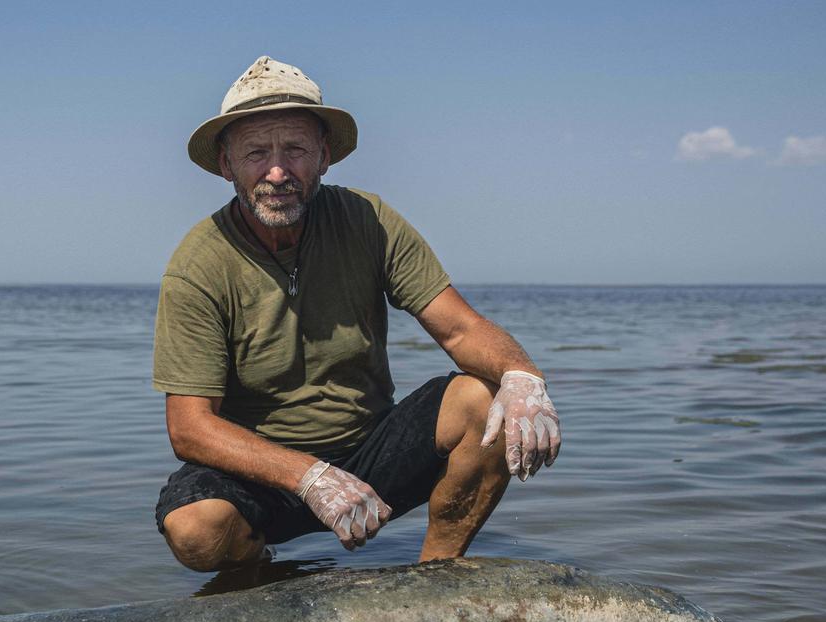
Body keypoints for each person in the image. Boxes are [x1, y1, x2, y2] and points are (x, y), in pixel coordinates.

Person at [153, 56, 560, 572]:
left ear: (324, 156)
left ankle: (436, 576)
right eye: (256, 153)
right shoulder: (198, 265)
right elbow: (189, 428)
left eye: (295, 149)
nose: (277, 172)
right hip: (263, 474)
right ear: (226, 165)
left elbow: (461, 330)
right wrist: (309, 476)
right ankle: (259, 576)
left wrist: (523, 376)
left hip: (371, 454)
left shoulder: (369, 220)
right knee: (196, 530)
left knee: (488, 399)